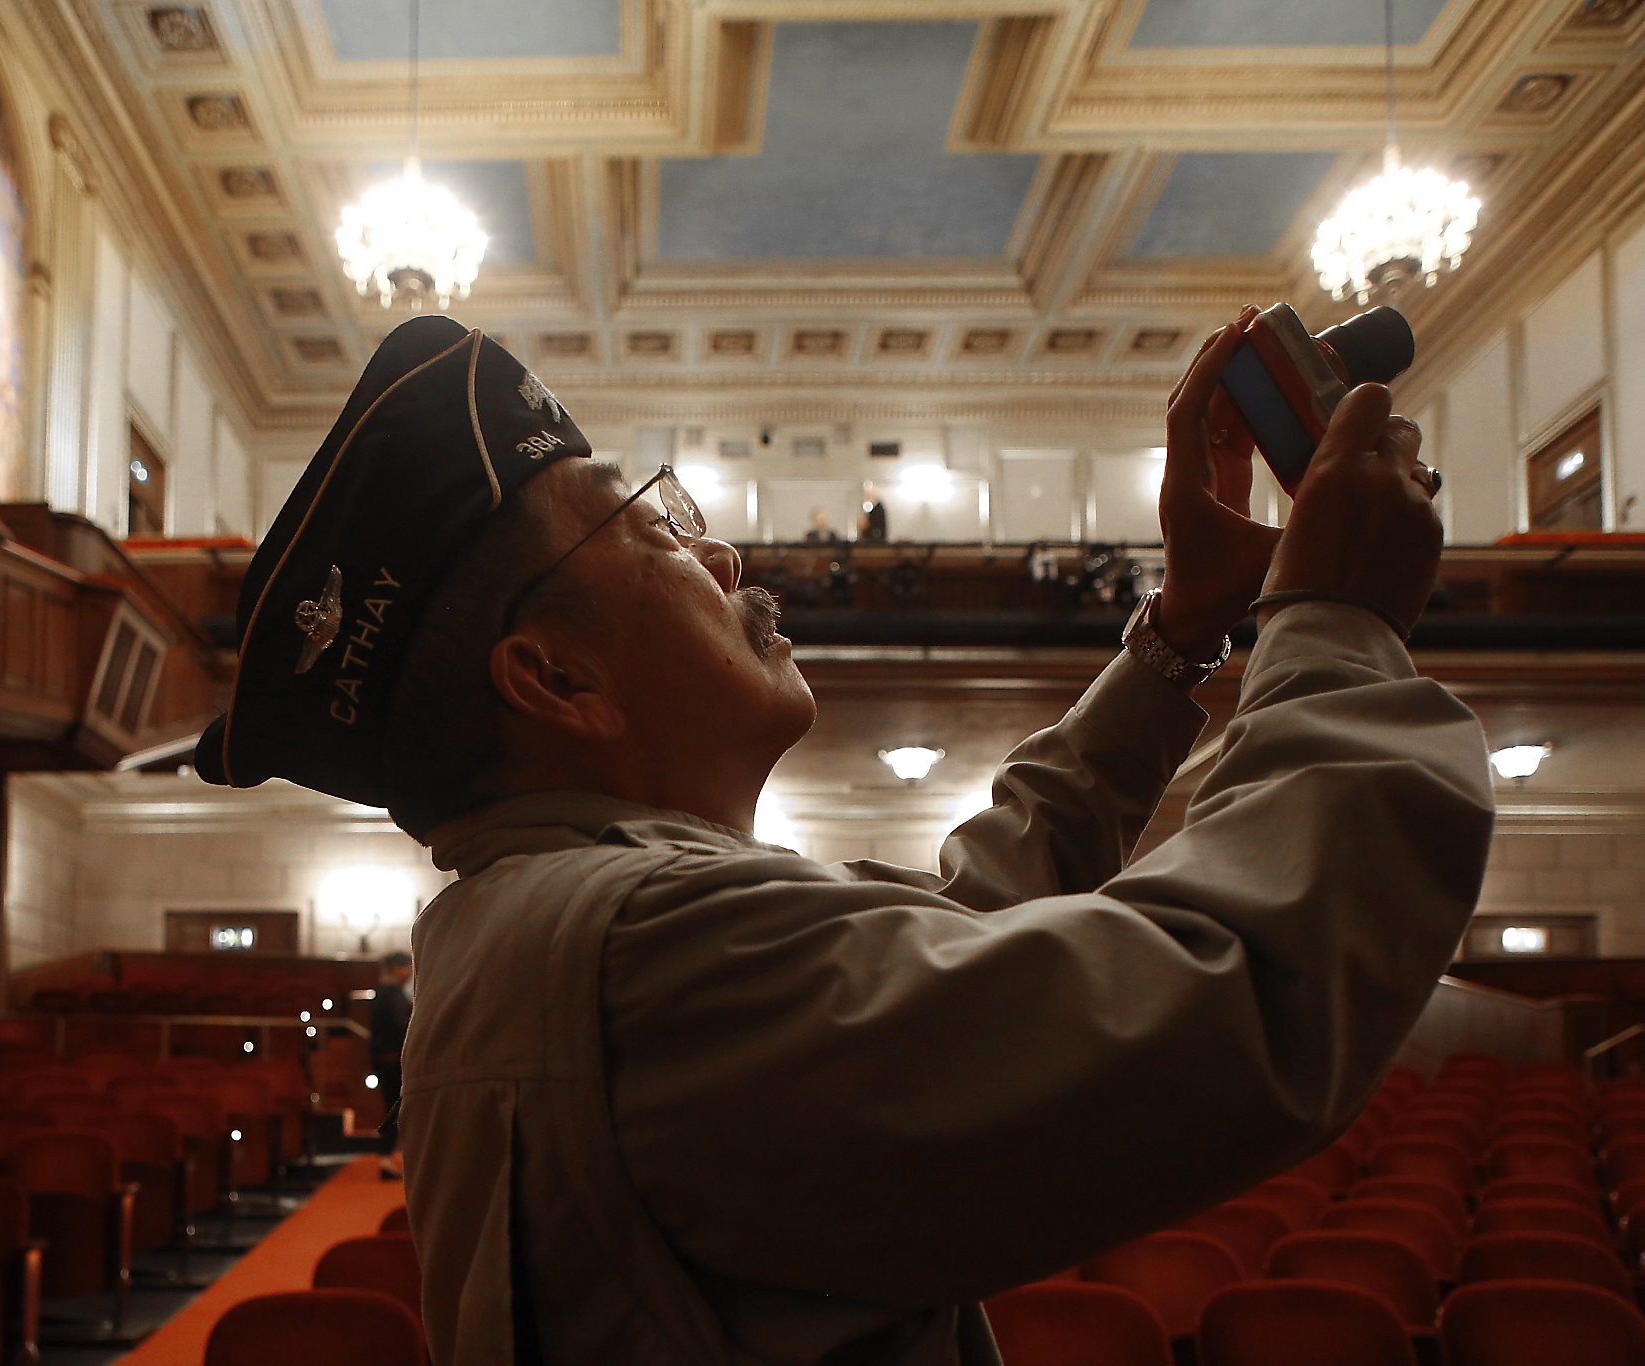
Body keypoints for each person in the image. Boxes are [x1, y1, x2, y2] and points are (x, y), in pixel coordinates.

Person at [195, 310, 1493, 1364]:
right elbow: (1235, 1005)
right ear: (555, 680)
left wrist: (1180, 634)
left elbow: (959, 930)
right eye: (653, 524)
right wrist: (1337, 625)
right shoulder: (644, 952)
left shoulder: (567, 917)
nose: (722, 553)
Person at [369, 950, 415, 1181]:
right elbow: (401, 1027)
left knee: (393, 1108)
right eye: (407, 967)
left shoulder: (382, 992)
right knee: (393, 1109)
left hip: (383, 1057)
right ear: (398, 969)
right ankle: (386, 1158)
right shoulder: (392, 994)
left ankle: (388, 1156)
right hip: (392, 1058)